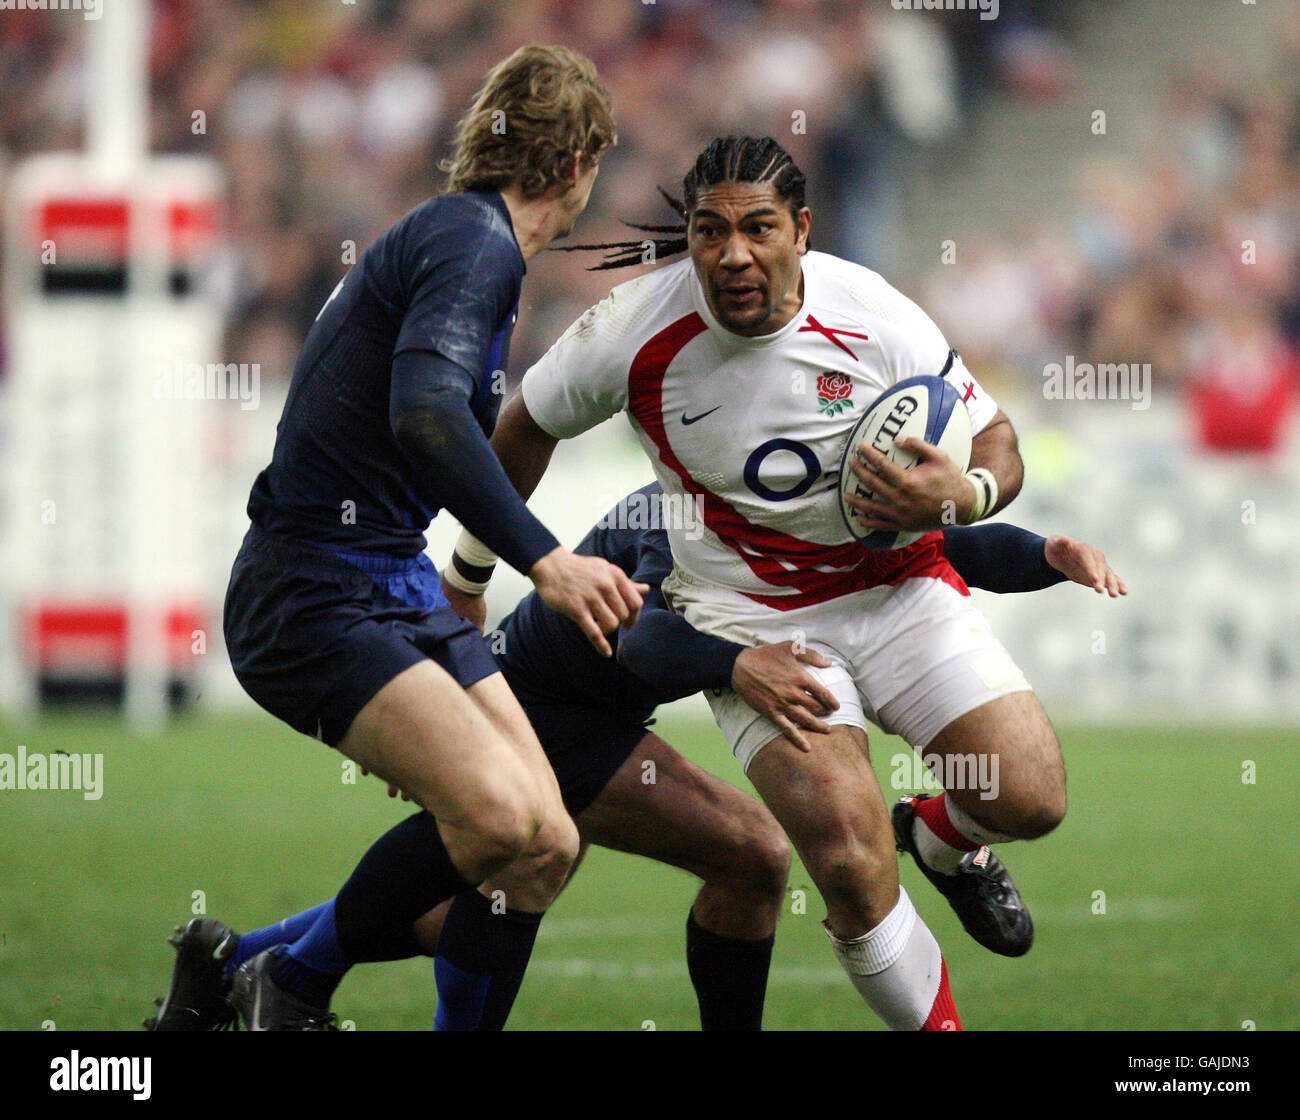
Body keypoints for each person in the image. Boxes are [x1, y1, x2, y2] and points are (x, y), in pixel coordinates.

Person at [445, 134, 1085, 1031]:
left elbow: (997, 439)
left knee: (1029, 797)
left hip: (897, 587)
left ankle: (943, 840)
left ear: (802, 231)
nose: (733, 254)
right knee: (854, 869)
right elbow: (524, 426)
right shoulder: (634, 328)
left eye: (758, 228)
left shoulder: (870, 309)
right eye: (710, 231)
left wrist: (967, 490)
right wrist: (470, 575)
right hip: (753, 627)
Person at [145, 483, 1124, 1030]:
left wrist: (1046, 555)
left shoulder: (803, 483)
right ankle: (260, 966)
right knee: (729, 857)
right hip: (545, 709)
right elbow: (641, 642)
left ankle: (238, 957)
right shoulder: (695, 511)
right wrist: (741, 659)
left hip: (595, 713)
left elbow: (942, 542)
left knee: (476, 904)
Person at [146, 45, 646, 1032]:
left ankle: (238, 971)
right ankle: (285, 990)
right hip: (315, 586)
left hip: (389, 579)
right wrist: (545, 559)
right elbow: (425, 413)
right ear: (580, 159)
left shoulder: (459, 237)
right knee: (502, 818)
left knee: (544, 846)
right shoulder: (475, 243)